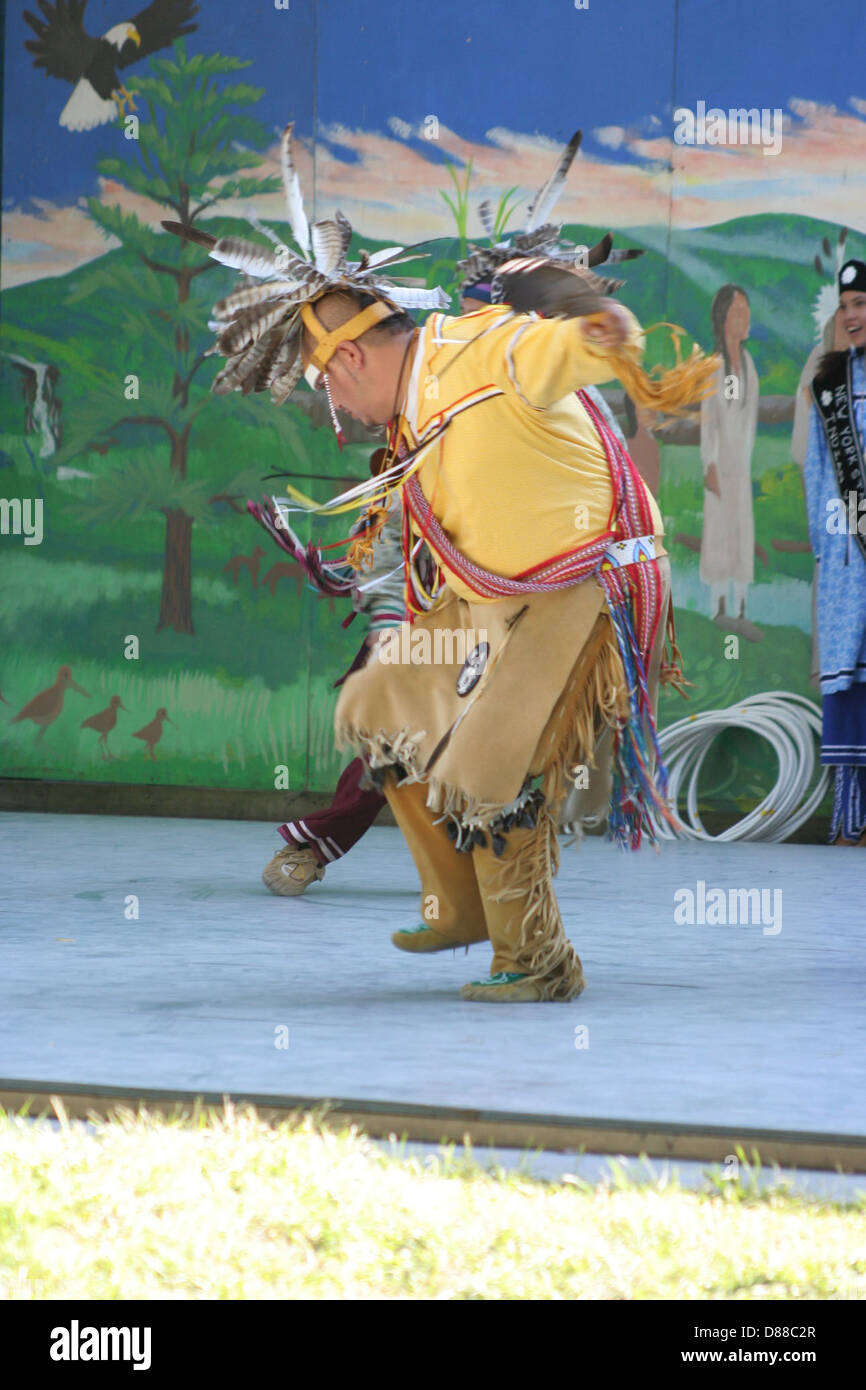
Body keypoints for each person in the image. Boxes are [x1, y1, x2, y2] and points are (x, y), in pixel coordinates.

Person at [300, 266, 714, 1002]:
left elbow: (570, 349)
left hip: (583, 590)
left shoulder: (479, 349)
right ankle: (460, 907)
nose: (328, 398)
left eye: (322, 379)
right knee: (377, 707)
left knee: (488, 771)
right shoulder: (415, 399)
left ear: (350, 357)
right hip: (492, 599)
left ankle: (538, 961)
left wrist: (601, 328)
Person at [804, 258, 866, 846]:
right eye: (846, 307)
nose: (852, 316)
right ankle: (852, 823)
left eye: (862, 305)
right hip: (851, 561)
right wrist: (831, 545)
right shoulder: (831, 385)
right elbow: (818, 472)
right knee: (850, 683)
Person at [699, 284, 761, 641]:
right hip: (720, 469)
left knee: (742, 534)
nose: (744, 318)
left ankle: (741, 611)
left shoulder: (748, 366)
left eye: (746, 311)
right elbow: (709, 419)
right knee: (719, 538)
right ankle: (718, 609)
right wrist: (710, 464)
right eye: (738, 312)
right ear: (724, 318)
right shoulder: (714, 367)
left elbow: (748, 419)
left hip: (741, 468)